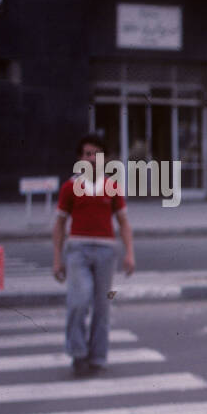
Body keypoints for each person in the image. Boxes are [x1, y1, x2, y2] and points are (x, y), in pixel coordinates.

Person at [52, 134, 136, 377]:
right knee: (78, 302)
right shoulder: (70, 187)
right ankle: (78, 354)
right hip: (77, 250)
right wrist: (57, 258)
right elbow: (59, 225)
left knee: (102, 307)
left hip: (106, 251)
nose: (91, 159)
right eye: (86, 154)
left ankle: (98, 357)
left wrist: (129, 253)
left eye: (96, 154)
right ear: (80, 158)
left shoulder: (112, 186)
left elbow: (124, 223)